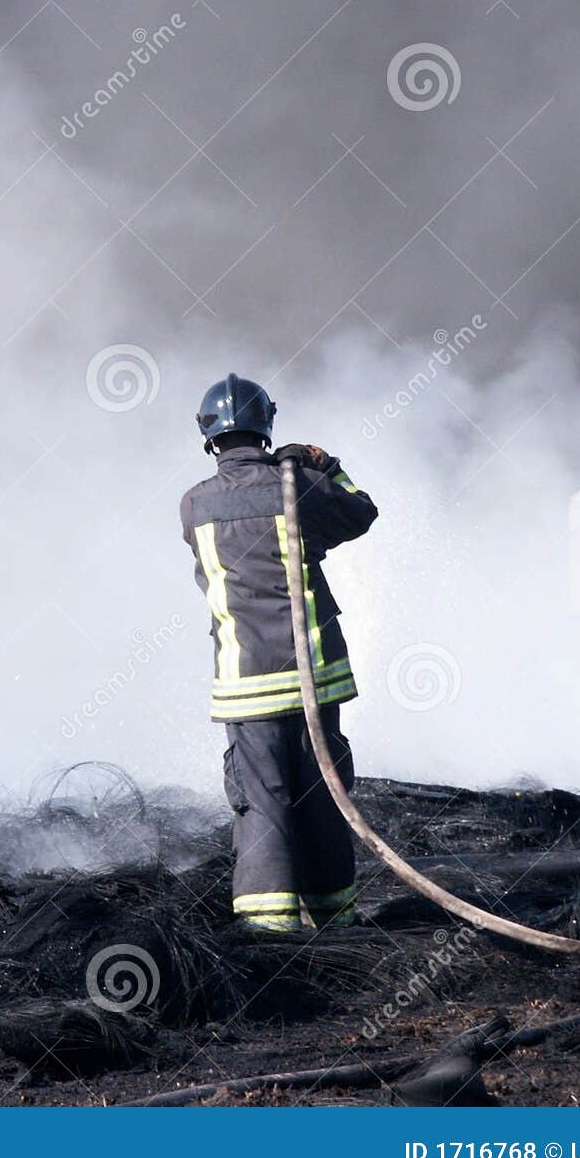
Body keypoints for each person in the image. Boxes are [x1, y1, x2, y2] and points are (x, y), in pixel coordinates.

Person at [179, 375, 378, 932]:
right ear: (267, 425)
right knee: (324, 797)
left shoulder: (193, 504)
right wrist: (322, 462)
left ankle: (269, 935)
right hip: (313, 676)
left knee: (261, 803)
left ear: (209, 435)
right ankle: (337, 921)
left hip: (245, 684)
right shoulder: (299, 488)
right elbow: (361, 512)